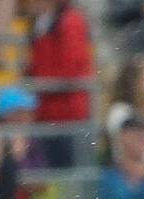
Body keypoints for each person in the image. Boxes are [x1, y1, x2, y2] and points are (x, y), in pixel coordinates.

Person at [23, 0, 93, 168]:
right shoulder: (41, 22)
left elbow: (71, 68)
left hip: (67, 113)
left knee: (68, 176)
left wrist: (36, 78)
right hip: (47, 112)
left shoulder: (69, 21)